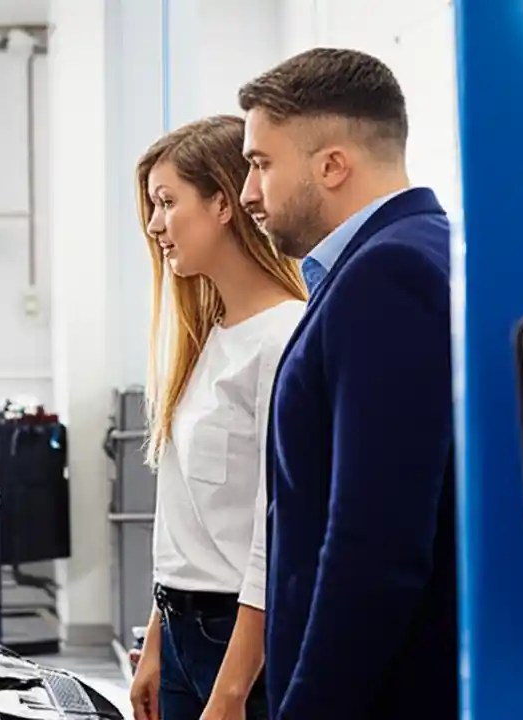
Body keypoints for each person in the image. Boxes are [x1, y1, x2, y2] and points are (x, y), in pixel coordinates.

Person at [237, 48, 457, 719]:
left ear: (331, 165)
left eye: (261, 164)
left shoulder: (388, 276)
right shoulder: (417, 251)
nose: (249, 193)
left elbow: (375, 540)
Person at [128, 115, 307, 720]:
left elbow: (273, 531)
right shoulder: (209, 338)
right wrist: (156, 643)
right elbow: (185, 517)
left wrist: (231, 690)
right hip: (183, 631)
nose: (155, 226)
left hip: (240, 642)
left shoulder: (282, 337)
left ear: (223, 204)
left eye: (166, 202)